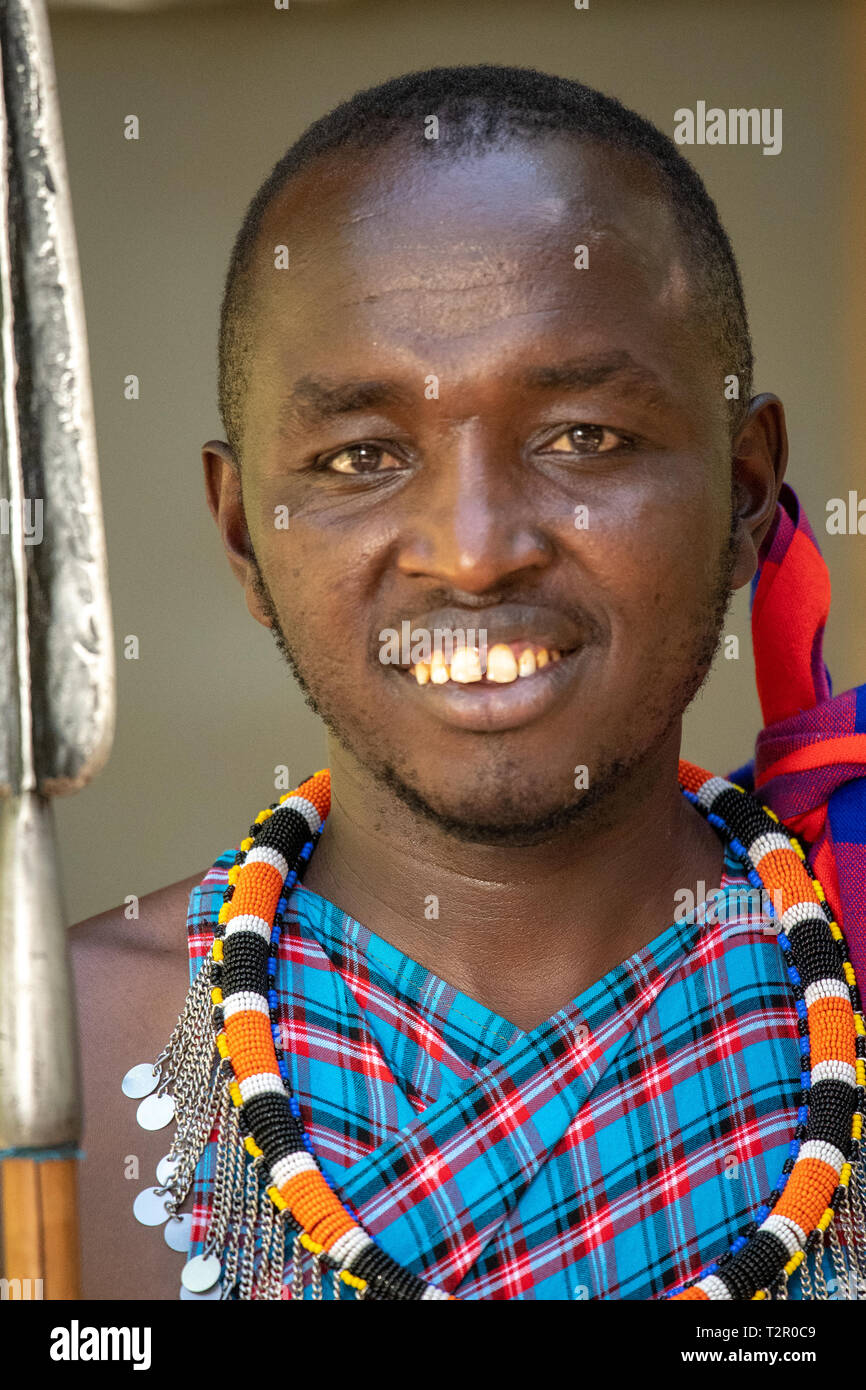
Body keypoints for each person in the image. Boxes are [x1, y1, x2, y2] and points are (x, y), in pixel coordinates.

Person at [72, 64, 866, 1302]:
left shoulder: (846, 974)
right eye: (361, 455)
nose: (476, 547)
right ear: (244, 536)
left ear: (744, 488)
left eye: (581, 437)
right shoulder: (49, 1058)